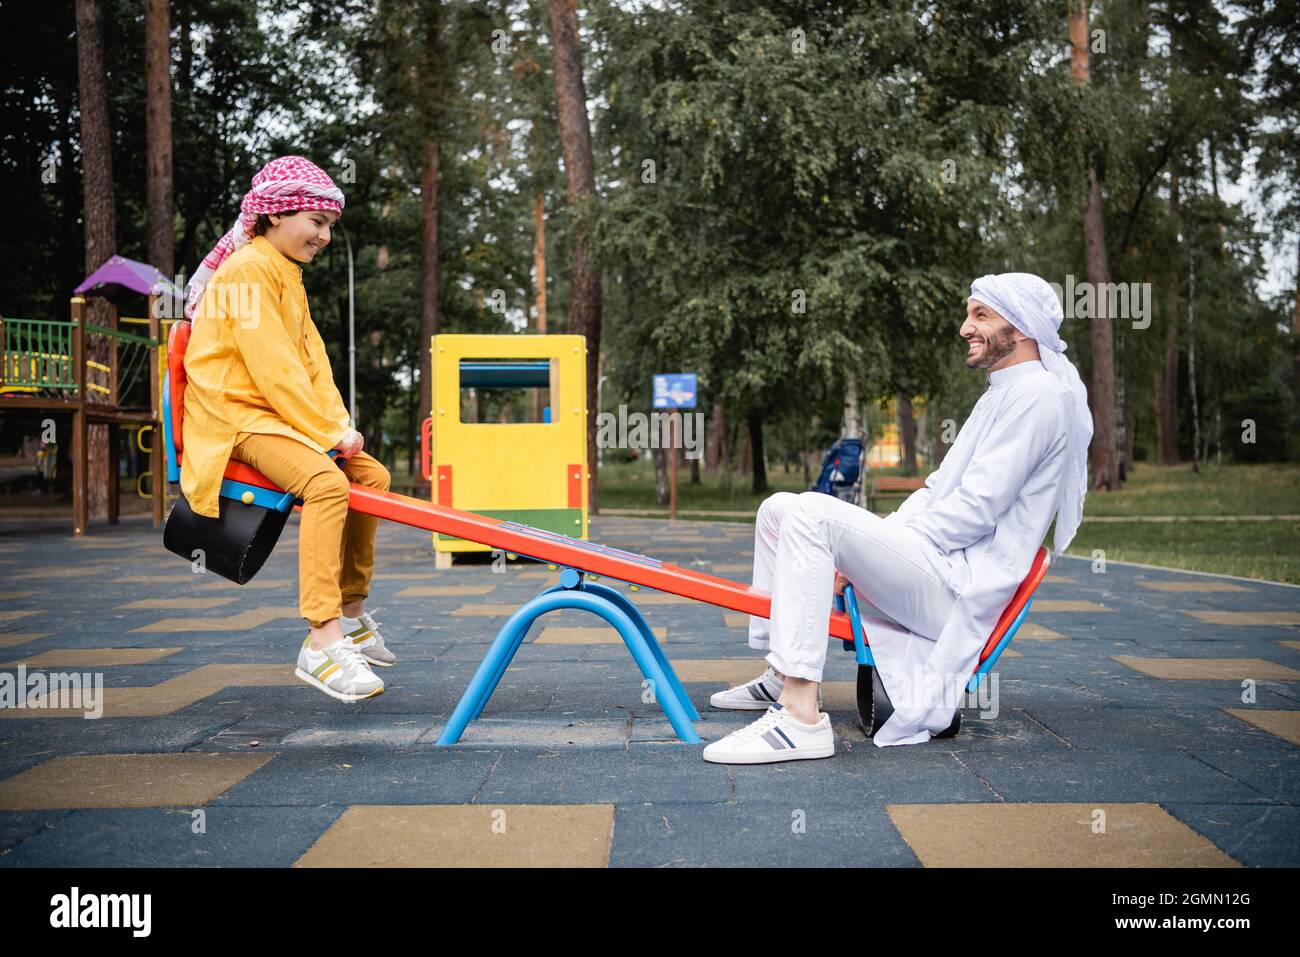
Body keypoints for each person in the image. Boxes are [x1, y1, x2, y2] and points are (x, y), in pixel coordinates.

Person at [703, 272, 1093, 764]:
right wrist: (880, 541)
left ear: (1021, 327)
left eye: (980, 315)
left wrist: (866, 553)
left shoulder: (1037, 398)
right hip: (937, 565)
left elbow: (974, 512)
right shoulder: (1006, 391)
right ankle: (781, 674)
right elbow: (937, 491)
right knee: (779, 508)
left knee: (812, 515)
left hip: (958, 590)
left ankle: (800, 718)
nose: (963, 327)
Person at [180, 155, 395, 703]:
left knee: (371, 477)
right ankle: (321, 641)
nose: (323, 236)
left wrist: (339, 426)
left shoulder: (284, 272)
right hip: (235, 418)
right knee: (326, 484)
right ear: (274, 215)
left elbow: (311, 361)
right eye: (316, 223)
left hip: (273, 414)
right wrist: (326, 430)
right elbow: (273, 366)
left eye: (329, 226)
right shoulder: (250, 269)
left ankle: (350, 612)